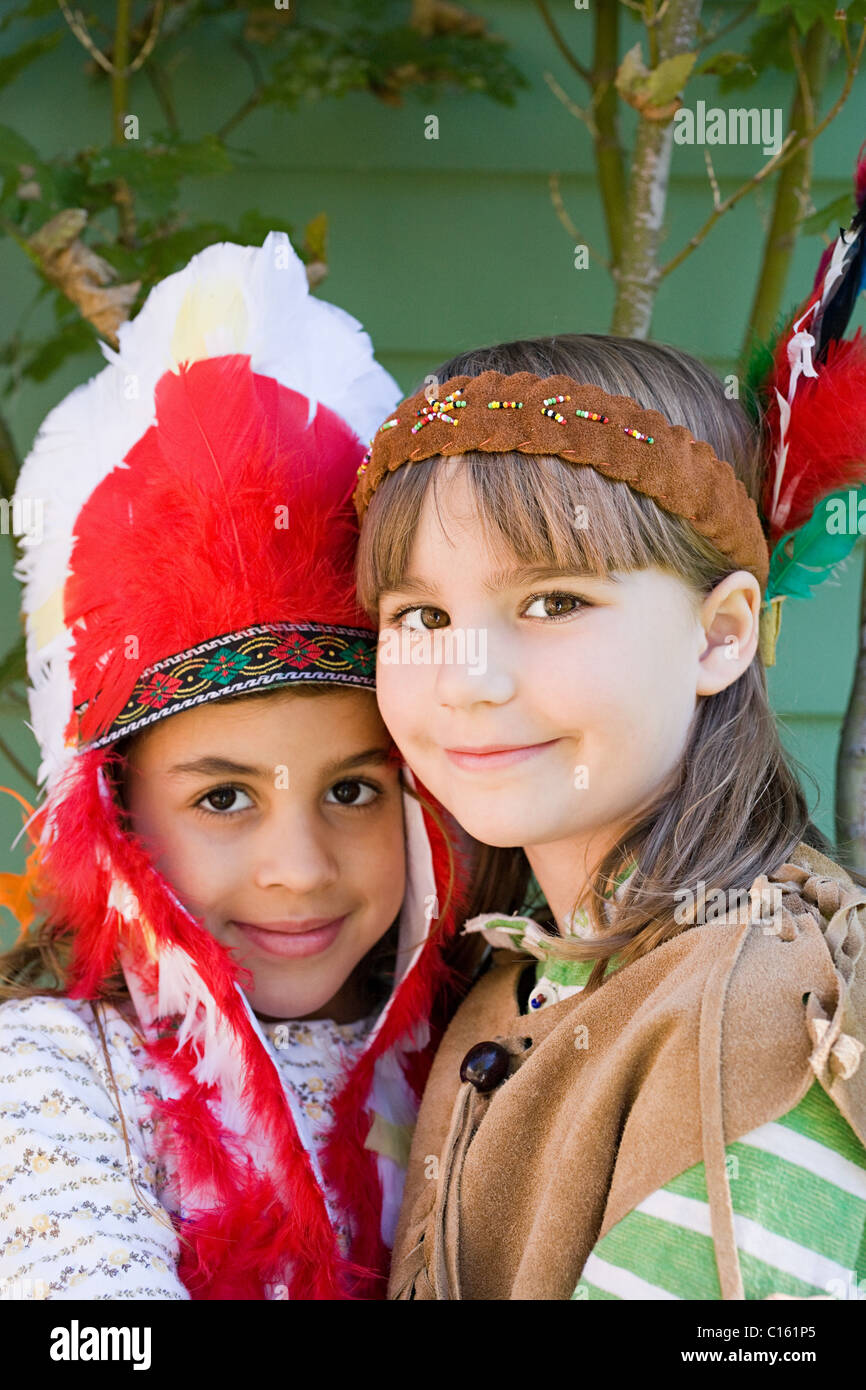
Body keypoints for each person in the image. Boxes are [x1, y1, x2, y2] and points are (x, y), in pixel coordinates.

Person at [0, 233, 473, 1301]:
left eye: (353, 789)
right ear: (113, 814)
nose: (297, 870)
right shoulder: (53, 1076)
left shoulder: (473, 1046)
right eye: (222, 797)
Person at [353, 318, 866, 1300]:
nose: (467, 681)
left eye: (551, 602)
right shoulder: (520, 969)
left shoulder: (762, 1010)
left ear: (718, 635)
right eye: (421, 616)